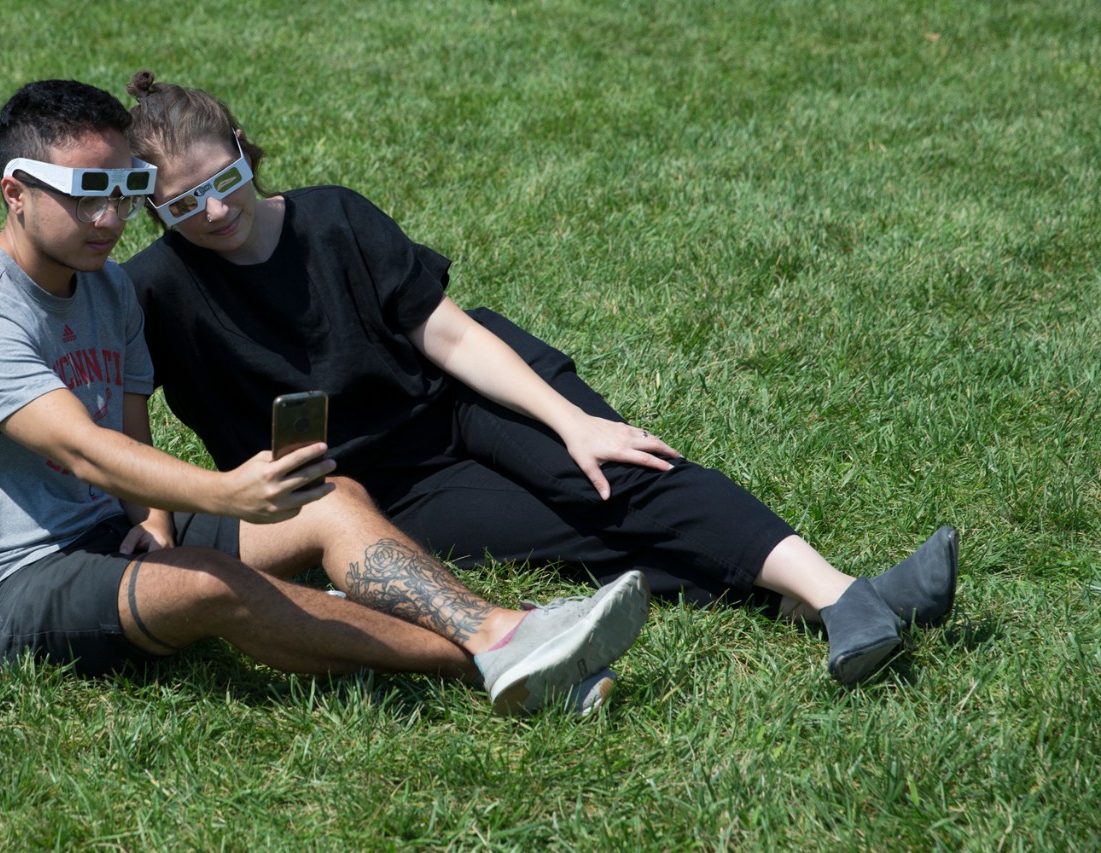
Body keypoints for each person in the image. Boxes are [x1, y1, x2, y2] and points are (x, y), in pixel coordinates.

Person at [119, 71, 959, 688]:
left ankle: (837, 593)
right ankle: (826, 603)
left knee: (618, 473)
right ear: (153, 208)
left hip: (462, 399)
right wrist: (163, 514)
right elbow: (127, 408)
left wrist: (571, 419)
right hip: (383, 488)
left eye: (225, 182)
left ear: (242, 150)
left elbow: (447, 333)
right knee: (574, 537)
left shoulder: (335, 215)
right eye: (185, 204)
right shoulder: (155, 287)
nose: (216, 212)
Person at [0, 78, 654, 717]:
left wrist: (158, 521)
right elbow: (81, 447)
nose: (111, 219)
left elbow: (130, 432)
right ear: (16, 192)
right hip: (6, 586)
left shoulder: (109, 289)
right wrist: (227, 494)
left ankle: (499, 631)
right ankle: (493, 657)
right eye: (86, 195)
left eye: (126, 191)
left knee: (327, 495)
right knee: (214, 582)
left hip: (109, 528)